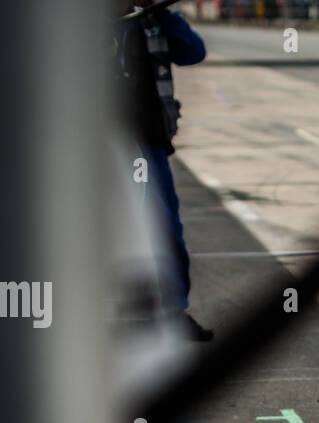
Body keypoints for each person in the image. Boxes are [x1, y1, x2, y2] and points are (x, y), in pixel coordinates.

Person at [114, 2, 214, 341]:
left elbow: (193, 52)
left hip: (149, 142)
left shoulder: (152, 22)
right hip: (106, 143)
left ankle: (173, 313)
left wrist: (164, 15)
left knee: (165, 227)